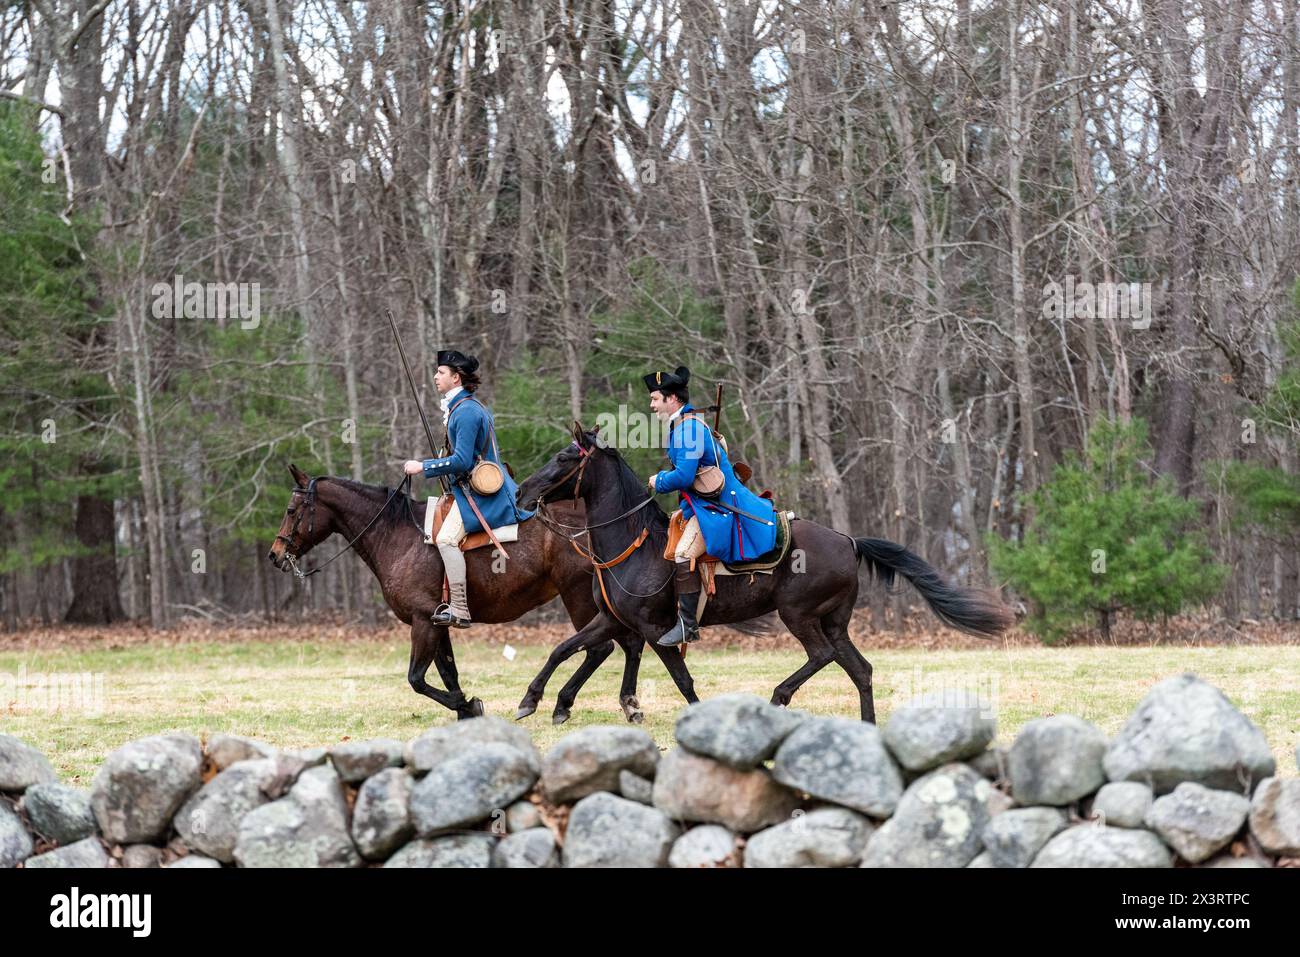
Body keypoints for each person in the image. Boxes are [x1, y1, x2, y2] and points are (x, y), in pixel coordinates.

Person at [644, 366, 777, 646]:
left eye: (655, 399)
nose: (652, 405)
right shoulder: (686, 425)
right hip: (702, 503)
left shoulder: (689, 429)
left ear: (672, 399)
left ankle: (688, 625)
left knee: (682, 553)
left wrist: (658, 480)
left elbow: (683, 476)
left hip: (718, 506)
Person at [403, 349, 533, 628]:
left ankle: (460, 608)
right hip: (469, 490)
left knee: (447, 539)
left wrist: (424, 467)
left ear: (456, 377)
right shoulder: (461, 408)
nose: (436, 376)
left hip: (484, 496)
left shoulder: (467, 412)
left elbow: (462, 460)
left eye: (441, 372)